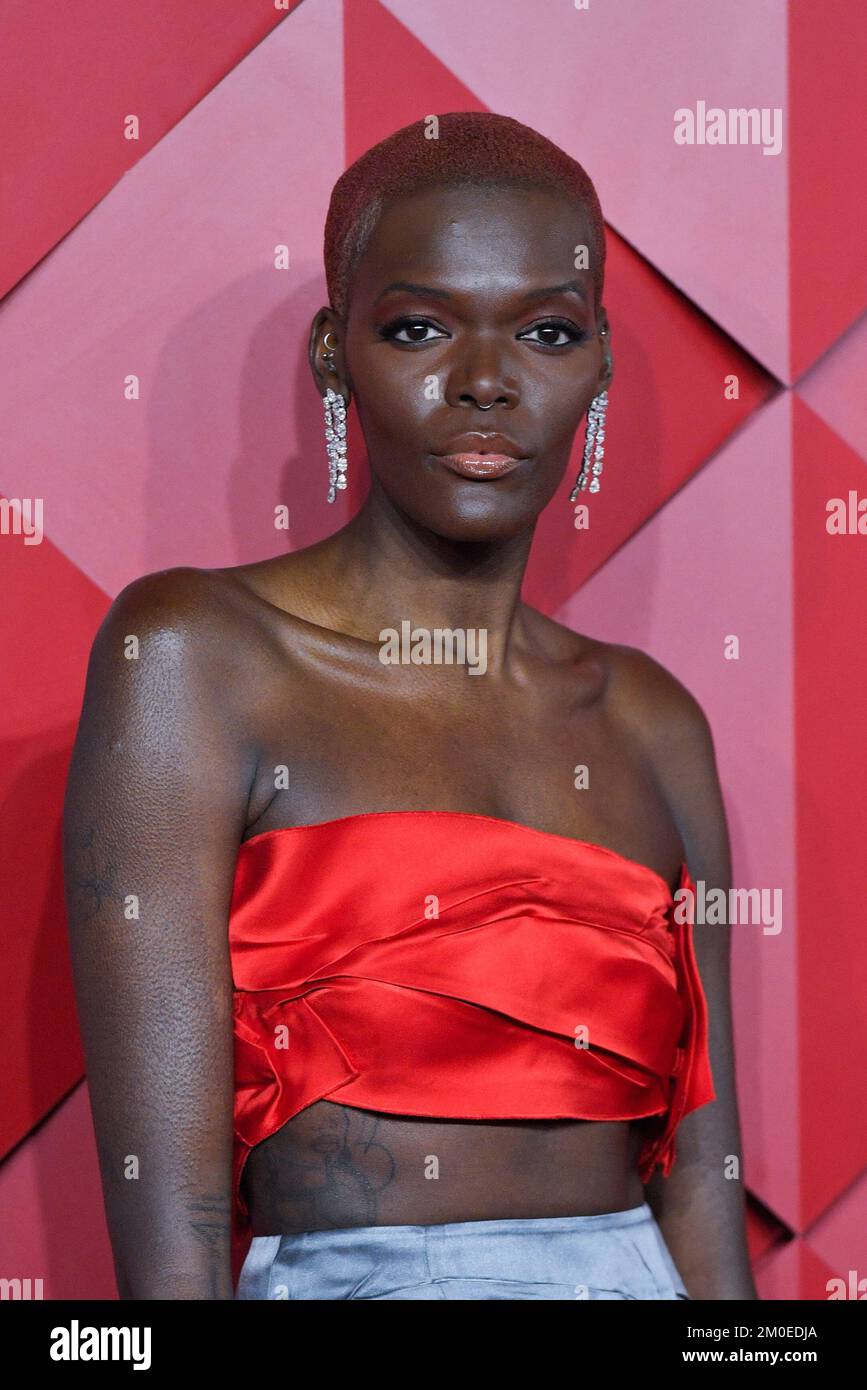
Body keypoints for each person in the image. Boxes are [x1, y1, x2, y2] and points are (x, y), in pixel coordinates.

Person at [64, 111, 756, 1300]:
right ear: (336, 354)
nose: (486, 384)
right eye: (420, 328)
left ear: (599, 361)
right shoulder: (192, 656)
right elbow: (172, 1221)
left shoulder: (651, 722)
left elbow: (698, 1186)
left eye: (546, 331)